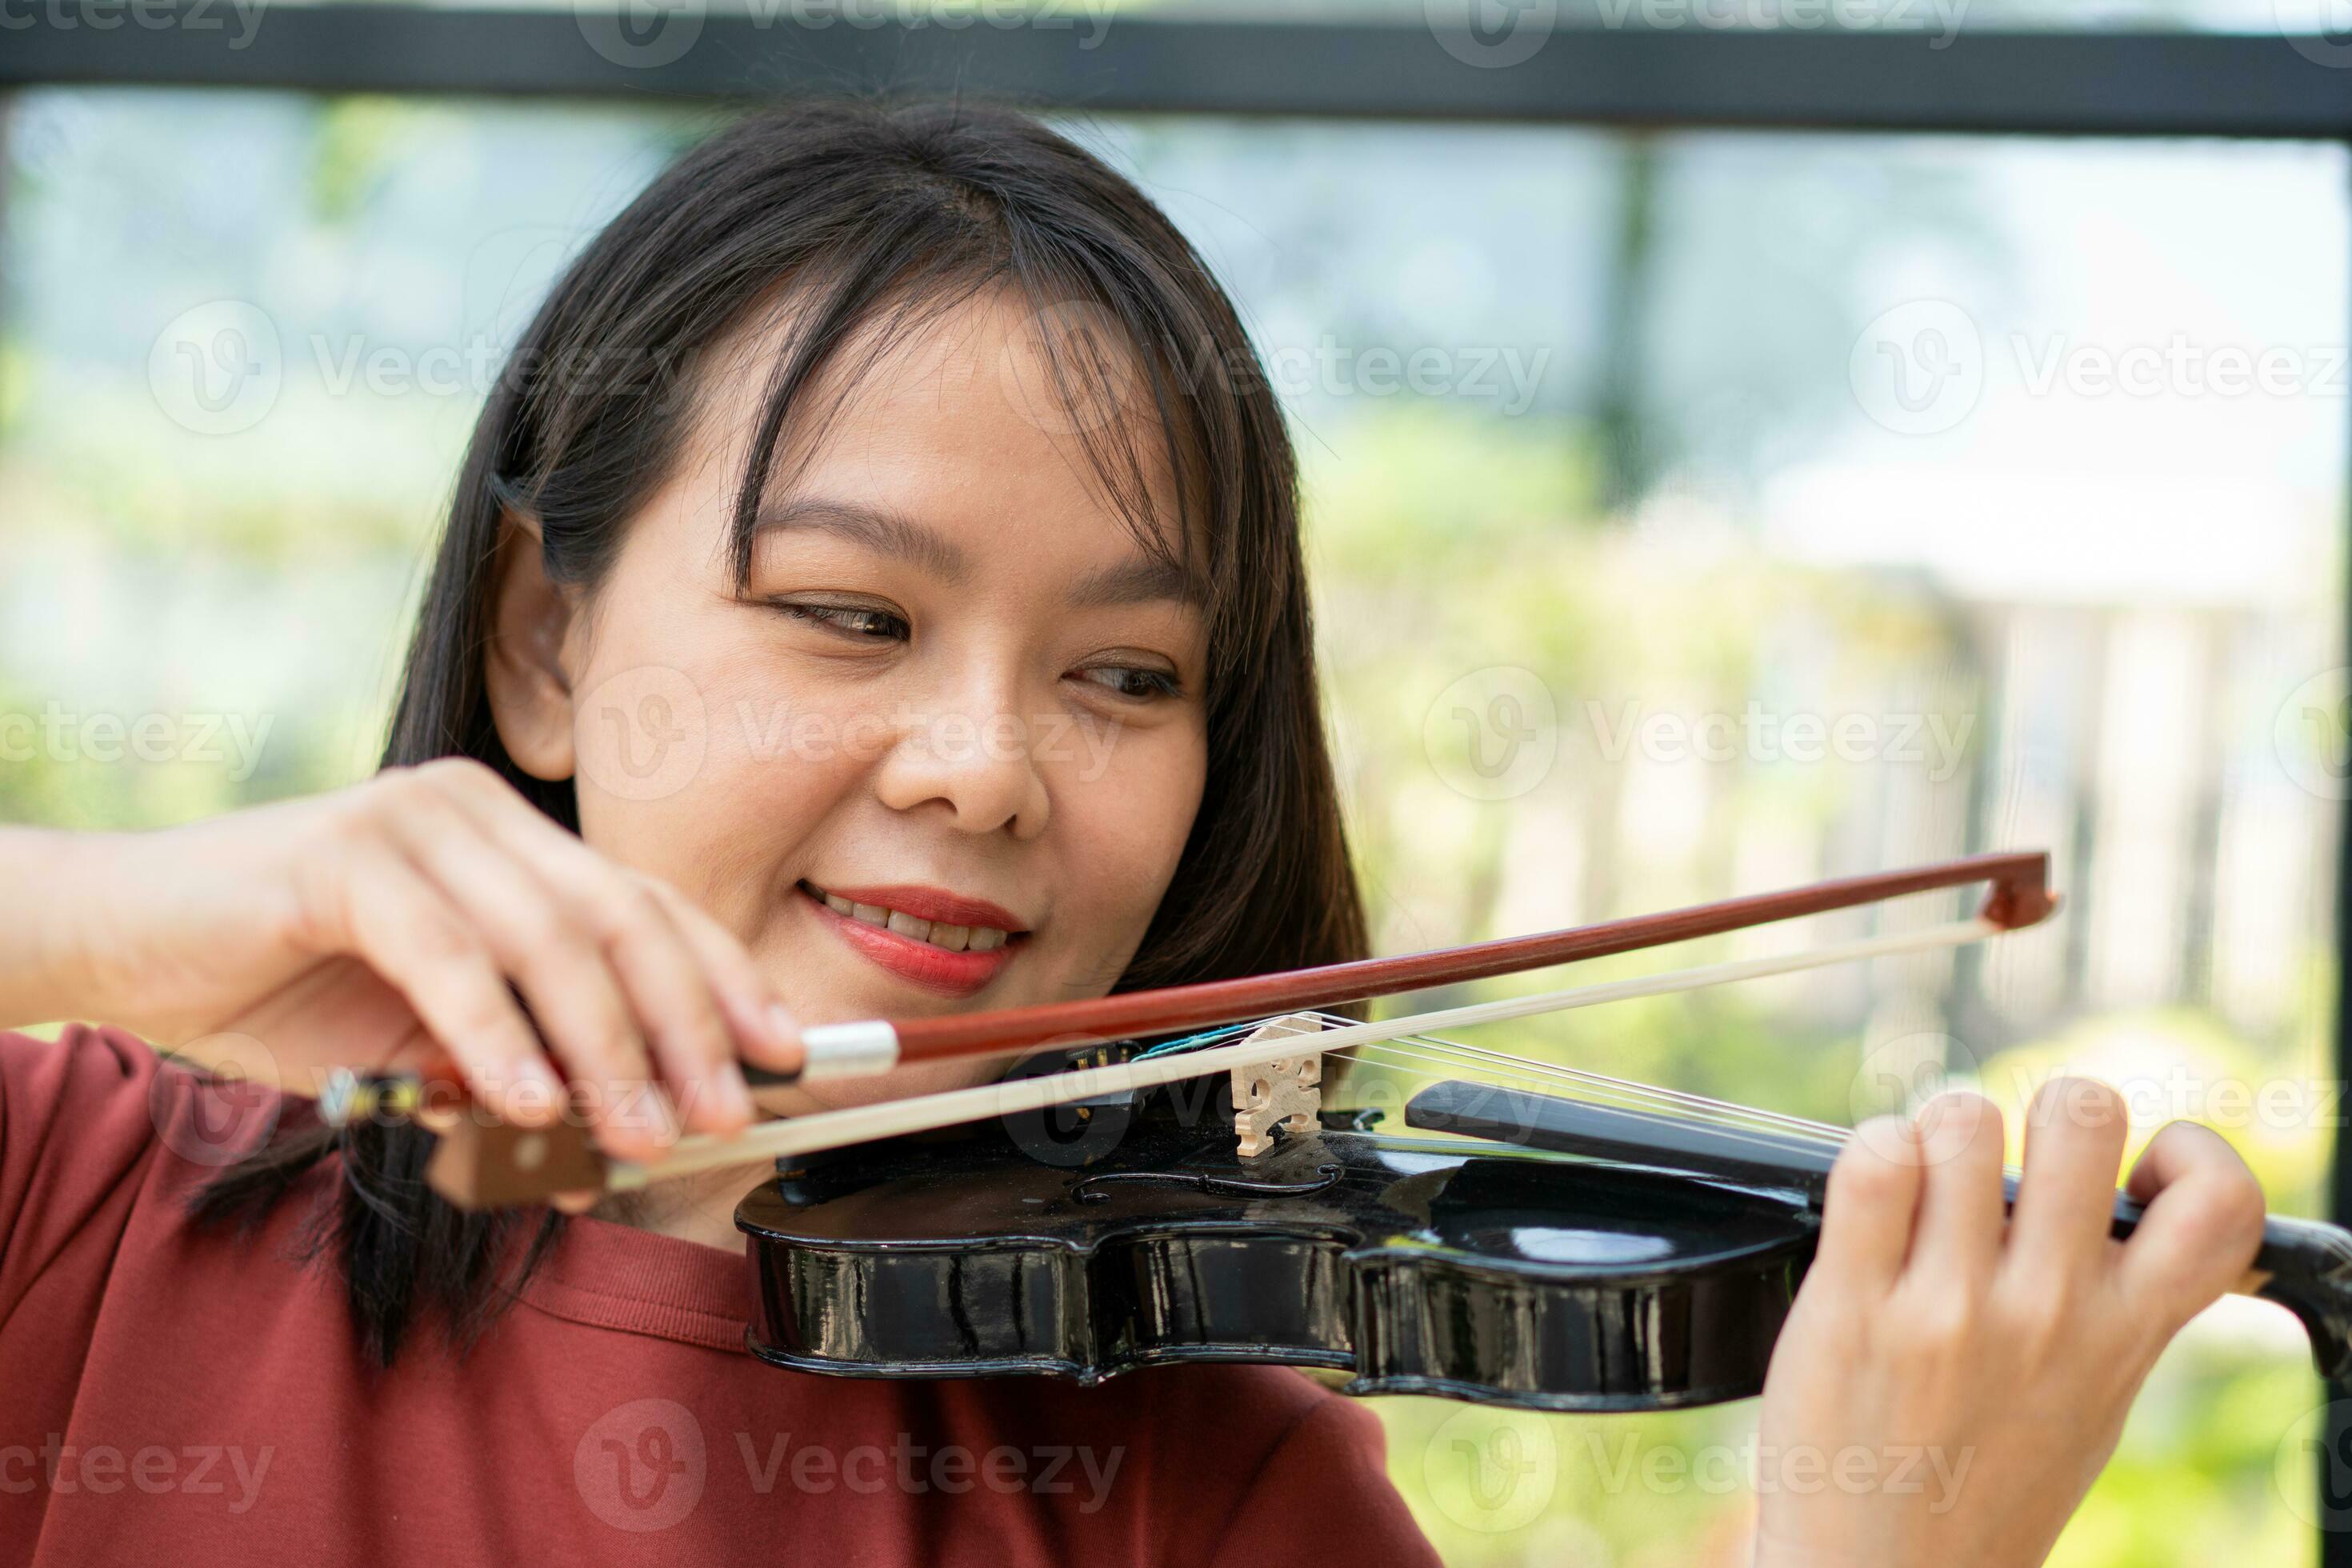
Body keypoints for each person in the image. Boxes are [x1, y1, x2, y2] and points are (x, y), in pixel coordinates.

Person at [0, 101, 2267, 1567]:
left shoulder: (1196, 1491)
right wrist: (132, 918)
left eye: (1124, 676)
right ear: (544, 645)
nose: (986, 768)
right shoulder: (81, 1202)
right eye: (845, 612)